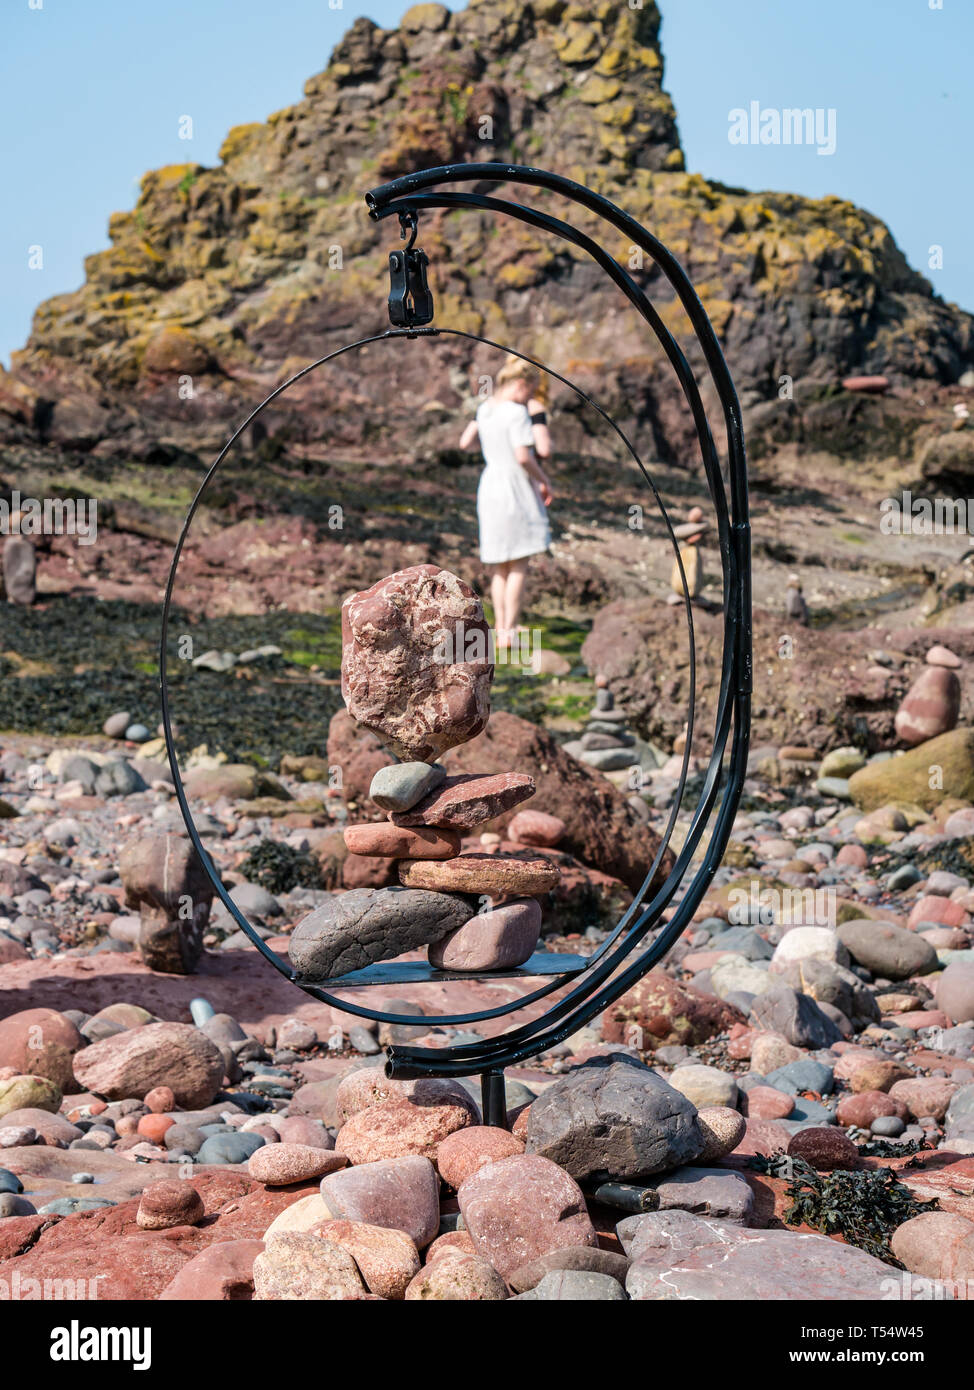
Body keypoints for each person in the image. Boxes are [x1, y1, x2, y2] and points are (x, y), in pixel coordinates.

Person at [460, 356, 553, 649]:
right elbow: (524, 456)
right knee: (519, 563)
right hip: (514, 486)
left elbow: (464, 442)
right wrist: (544, 480)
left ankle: (500, 628)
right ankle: (509, 630)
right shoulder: (516, 412)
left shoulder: (485, 409)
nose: (530, 398)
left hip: (489, 484)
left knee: (500, 563)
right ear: (520, 385)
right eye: (531, 391)